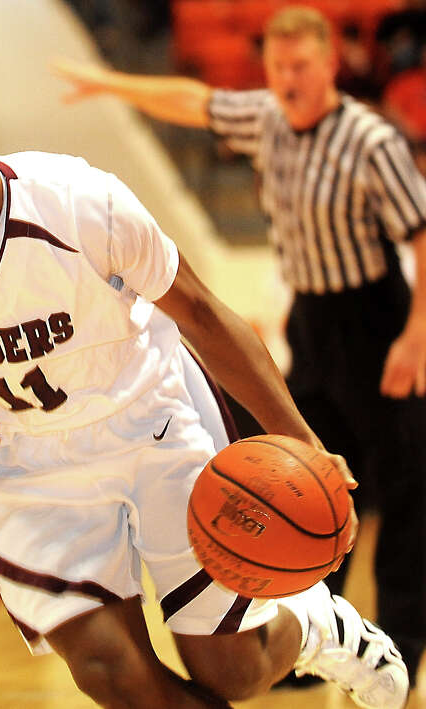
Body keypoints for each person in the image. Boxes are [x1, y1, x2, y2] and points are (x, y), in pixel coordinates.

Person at [0, 45, 409, 707]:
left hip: (149, 422)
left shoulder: (82, 204)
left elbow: (202, 313)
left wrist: (303, 442)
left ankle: (315, 623)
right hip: (31, 470)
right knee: (115, 677)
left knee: (233, 670)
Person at [53, 4, 426, 689]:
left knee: (405, 490)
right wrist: (113, 86)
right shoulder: (267, 118)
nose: (287, 77)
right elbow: (194, 100)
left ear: (330, 65)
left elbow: (422, 233)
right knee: (302, 477)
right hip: (315, 321)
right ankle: (315, 633)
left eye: (301, 66)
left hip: (378, 320)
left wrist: (417, 334)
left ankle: (399, 640)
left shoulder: (369, 139)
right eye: (278, 66)